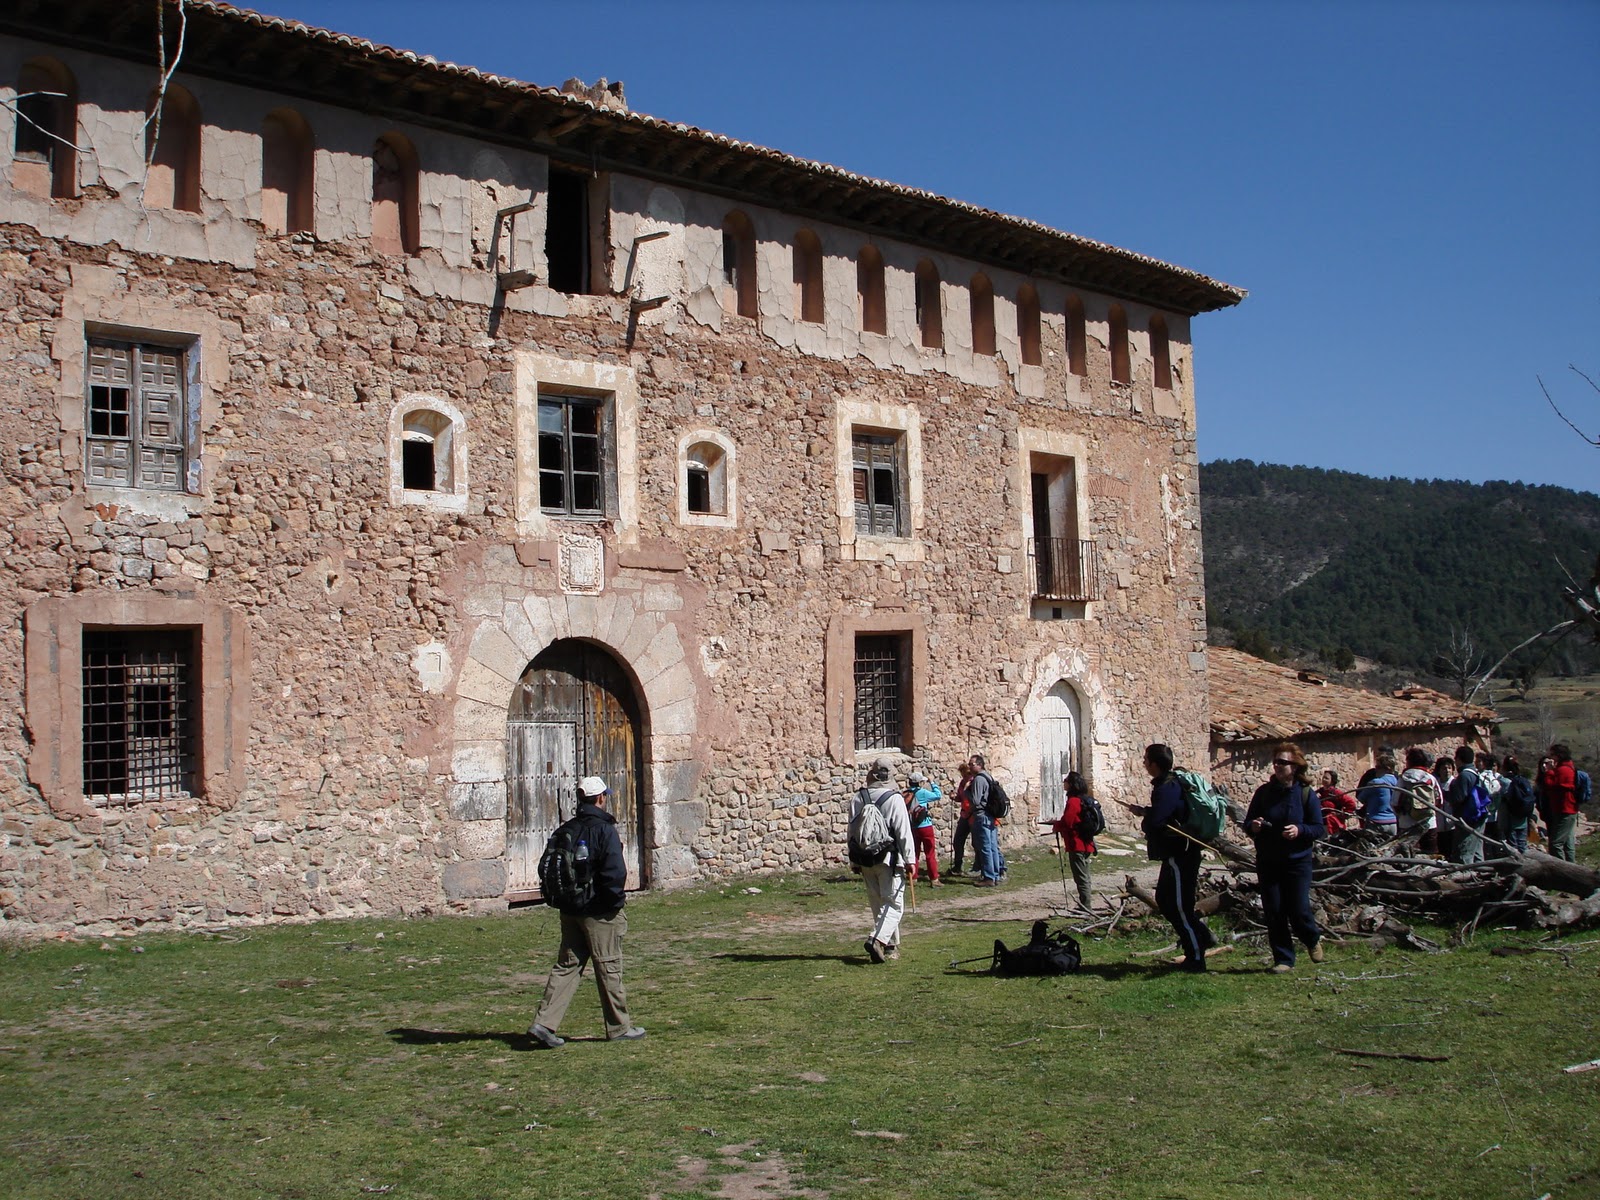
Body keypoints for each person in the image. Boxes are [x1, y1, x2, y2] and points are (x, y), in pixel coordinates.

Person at [527, 776, 646, 1048]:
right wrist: (614, 903)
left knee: (567, 966)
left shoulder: (567, 829)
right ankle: (619, 1027)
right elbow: (614, 873)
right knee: (609, 966)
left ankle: (543, 1022)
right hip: (599, 912)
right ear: (601, 798)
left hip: (570, 910)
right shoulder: (605, 830)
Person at [1244, 743, 1326, 972]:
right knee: (1274, 911)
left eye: (1283, 762)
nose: (1278, 766)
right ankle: (1283, 959)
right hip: (1268, 860)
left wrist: (1300, 830)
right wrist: (1254, 826)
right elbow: (1248, 822)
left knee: (1298, 909)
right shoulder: (1264, 793)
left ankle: (1311, 938)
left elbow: (1319, 828)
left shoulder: (1306, 794)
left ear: (1295, 766)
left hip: (1297, 861)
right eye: (1276, 762)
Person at [1135, 743, 1215, 972]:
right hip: (1175, 854)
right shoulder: (1168, 785)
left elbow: (1158, 821)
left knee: (1179, 906)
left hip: (1180, 854)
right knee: (1164, 899)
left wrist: (1147, 820)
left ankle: (1196, 957)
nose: (1143, 763)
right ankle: (1201, 936)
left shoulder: (1167, 787)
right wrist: (1147, 812)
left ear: (1154, 764)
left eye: (1146, 759)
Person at [850, 760, 916, 962]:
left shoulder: (858, 798)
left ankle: (890, 945)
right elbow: (903, 831)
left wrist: (853, 861)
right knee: (894, 904)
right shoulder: (895, 799)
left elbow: (852, 831)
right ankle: (877, 939)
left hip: (864, 858)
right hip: (889, 858)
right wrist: (910, 859)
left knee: (878, 903)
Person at [1049, 770, 1098, 909]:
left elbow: (1068, 822)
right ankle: (1085, 903)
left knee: (1081, 876)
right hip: (1086, 842)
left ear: (1071, 784)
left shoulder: (1074, 801)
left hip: (1077, 843)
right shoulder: (1083, 800)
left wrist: (1056, 826)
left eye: (1066, 781)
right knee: (1084, 875)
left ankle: (1086, 906)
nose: (1064, 783)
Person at [967, 753, 1005, 887]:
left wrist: (966, 791)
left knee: (985, 847)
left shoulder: (978, 779)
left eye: (971, 764)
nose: (969, 767)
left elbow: (976, 801)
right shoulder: (988, 776)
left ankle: (989, 877)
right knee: (993, 847)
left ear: (979, 765)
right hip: (990, 816)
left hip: (982, 815)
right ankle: (996, 874)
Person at [1447, 745, 1488, 865]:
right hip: (1479, 815)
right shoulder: (1476, 773)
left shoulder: (1464, 776)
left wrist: (1447, 794)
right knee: (1477, 849)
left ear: (1459, 759)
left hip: (1467, 818)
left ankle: (1466, 873)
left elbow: (1458, 798)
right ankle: (1481, 871)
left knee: (1464, 851)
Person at [1398, 748, 1443, 855]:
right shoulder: (1430, 778)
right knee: (1431, 855)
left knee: (1408, 856)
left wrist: (1403, 815)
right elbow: (1440, 801)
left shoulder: (1403, 779)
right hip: (1429, 823)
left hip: (1407, 825)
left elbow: (1395, 802)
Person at [1540, 743, 1579, 863]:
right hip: (1567, 809)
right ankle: (1571, 867)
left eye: (1552, 755)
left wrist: (1549, 772)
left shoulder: (1563, 770)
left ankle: (1560, 867)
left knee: (1556, 843)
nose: (1551, 757)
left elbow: (1551, 785)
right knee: (1567, 843)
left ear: (1559, 755)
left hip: (1564, 809)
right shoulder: (1567, 768)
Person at [904, 770, 942, 886]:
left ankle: (913, 877)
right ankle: (934, 878)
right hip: (925, 826)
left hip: (912, 826)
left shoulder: (906, 794)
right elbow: (938, 795)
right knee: (930, 852)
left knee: (914, 852)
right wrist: (932, 783)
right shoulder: (923, 793)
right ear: (919, 782)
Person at [1497, 755, 1536, 854]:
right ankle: (1525, 861)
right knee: (1522, 845)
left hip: (1510, 818)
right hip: (1523, 818)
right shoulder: (1522, 780)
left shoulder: (1504, 781)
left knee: (1512, 846)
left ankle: (1515, 863)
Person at [1357, 749, 1400, 837]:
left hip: (1377, 822)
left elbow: (1361, 798)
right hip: (1393, 822)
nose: (1375, 770)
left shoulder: (1375, 783)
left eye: (1378, 767)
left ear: (1387, 769)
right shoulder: (1397, 781)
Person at [948, 762, 975, 876]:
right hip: (964, 815)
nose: (964, 776)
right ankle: (957, 866)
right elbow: (961, 797)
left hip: (973, 815)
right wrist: (955, 797)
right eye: (963, 774)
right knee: (958, 841)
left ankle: (979, 867)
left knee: (977, 842)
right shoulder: (963, 782)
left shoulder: (974, 782)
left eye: (966, 773)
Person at [1316, 770, 1358, 834]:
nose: (1324, 779)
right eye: (1323, 777)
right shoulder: (1319, 792)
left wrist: (1341, 814)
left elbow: (1351, 803)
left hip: (1333, 825)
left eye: (1326, 778)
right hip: (1320, 823)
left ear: (1332, 781)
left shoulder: (1336, 793)